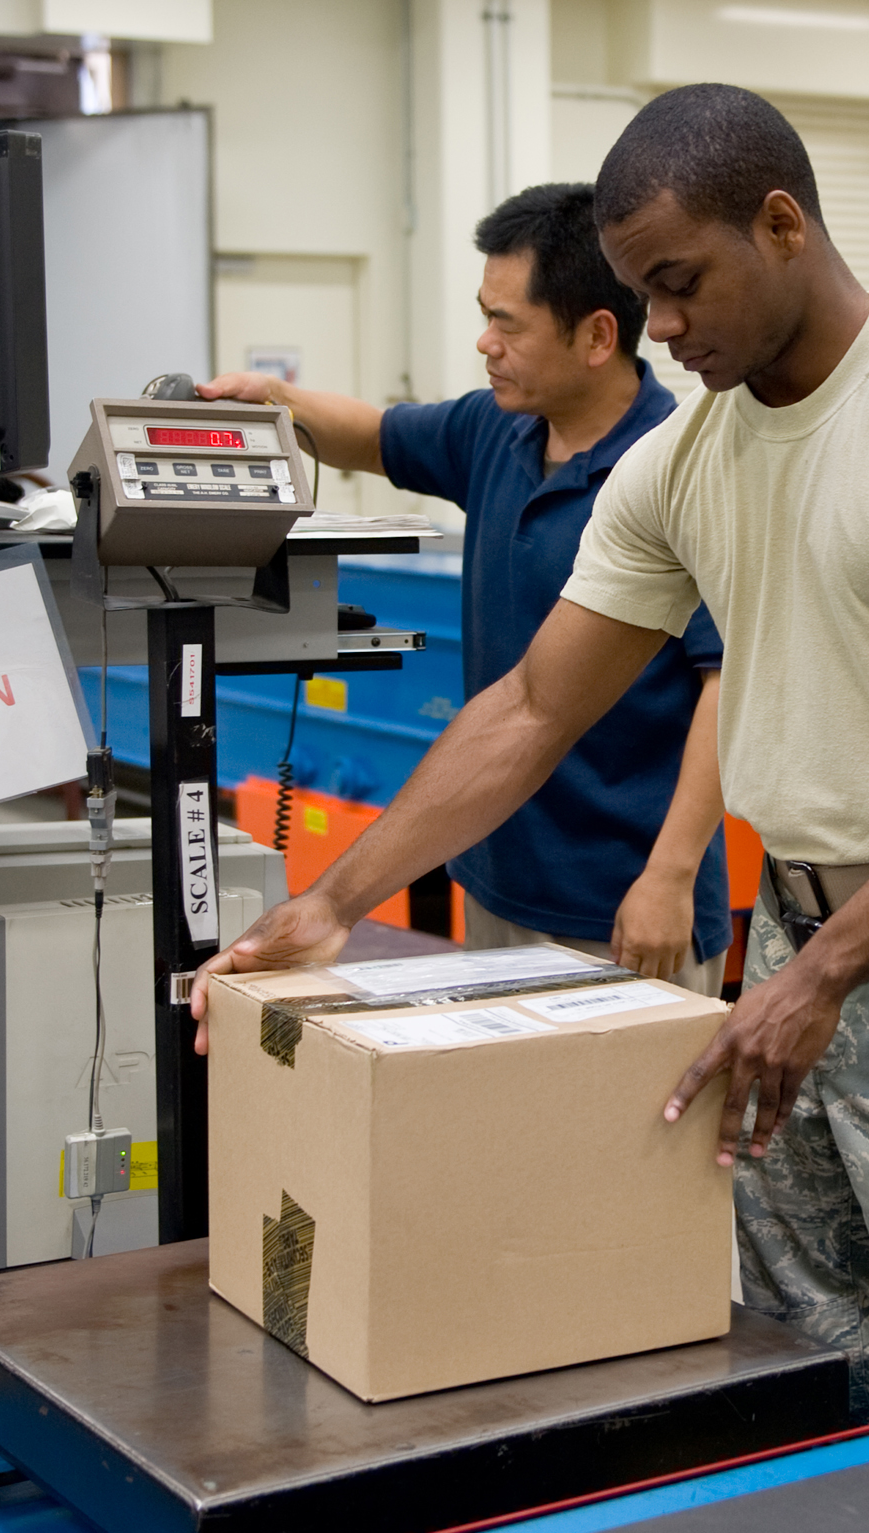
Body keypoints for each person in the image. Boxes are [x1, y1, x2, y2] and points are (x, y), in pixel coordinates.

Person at [193, 85, 869, 1423]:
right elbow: (529, 710)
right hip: (796, 954)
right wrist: (334, 899)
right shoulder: (684, 465)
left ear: (782, 222)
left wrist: (830, 970)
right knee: (815, 1361)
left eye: (680, 286)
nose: (664, 330)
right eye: (642, 294)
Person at [197, 182, 728, 994]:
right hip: (498, 872)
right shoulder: (497, 428)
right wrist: (274, 401)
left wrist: (672, 874)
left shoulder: (678, 470)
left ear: (596, 335)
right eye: (484, 315)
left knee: (618, 1121)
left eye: (507, 324)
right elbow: (373, 435)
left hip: (623, 904)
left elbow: (727, 688)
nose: (486, 343)